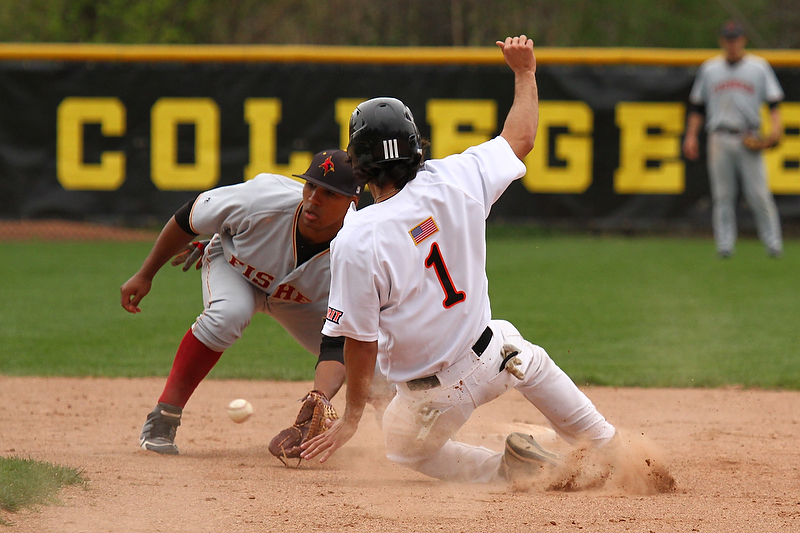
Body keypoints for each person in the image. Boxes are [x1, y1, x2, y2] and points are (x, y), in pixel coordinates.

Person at [301, 36, 617, 483]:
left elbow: (359, 341)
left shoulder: (357, 238)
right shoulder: (458, 178)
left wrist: (352, 418)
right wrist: (525, 73)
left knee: (399, 443)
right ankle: (613, 448)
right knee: (528, 359)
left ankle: (512, 474)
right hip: (494, 357)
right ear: (415, 146)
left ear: (358, 162)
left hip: (430, 399)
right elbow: (521, 136)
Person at [120, 149, 371, 455]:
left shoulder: (358, 247)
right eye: (311, 186)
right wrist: (145, 274)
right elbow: (189, 216)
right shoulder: (263, 199)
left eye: (329, 193)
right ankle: (164, 417)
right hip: (235, 267)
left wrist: (320, 397)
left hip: (300, 301)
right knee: (228, 314)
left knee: (373, 364)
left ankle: (405, 441)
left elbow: (337, 341)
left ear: (352, 202)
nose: (314, 198)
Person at [682, 20, 784, 259]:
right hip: (719, 136)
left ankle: (774, 244)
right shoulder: (709, 69)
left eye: (736, 39)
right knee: (722, 196)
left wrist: (776, 129)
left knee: (759, 194)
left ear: (743, 40)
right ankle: (725, 246)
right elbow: (697, 106)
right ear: (722, 41)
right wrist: (691, 136)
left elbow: (774, 103)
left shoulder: (758, 67)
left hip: (749, 136)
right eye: (728, 39)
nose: (732, 44)